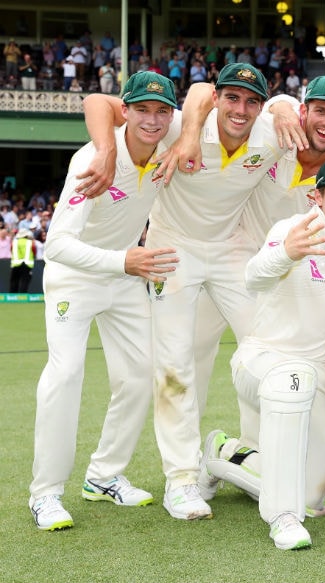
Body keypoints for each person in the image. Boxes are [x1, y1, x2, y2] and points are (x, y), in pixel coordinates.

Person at [81, 63, 288, 521]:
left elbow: (301, 115)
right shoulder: (175, 122)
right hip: (171, 249)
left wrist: (288, 110)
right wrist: (107, 148)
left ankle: (268, 456)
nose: (241, 110)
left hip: (231, 249)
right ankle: (181, 480)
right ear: (216, 98)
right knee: (175, 364)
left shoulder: (270, 134)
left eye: (251, 101)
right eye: (232, 98)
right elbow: (97, 101)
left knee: (271, 348)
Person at [27, 72, 179, 531]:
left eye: (162, 111)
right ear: (124, 111)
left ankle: (104, 475)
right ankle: (45, 494)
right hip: (77, 278)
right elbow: (56, 245)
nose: (152, 120)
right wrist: (107, 150)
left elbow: (203, 106)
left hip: (124, 277)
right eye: (142, 109)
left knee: (138, 376)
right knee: (65, 374)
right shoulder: (90, 159)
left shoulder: (169, 137)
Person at [197, 159, 325, 550]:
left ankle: (223, 454)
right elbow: (254, 277)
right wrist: (287, 254)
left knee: (314, 498)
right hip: (264, 360)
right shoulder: (291, 229)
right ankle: (282, 517)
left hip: (315, 375)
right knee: (292, 381)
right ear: (316, 196)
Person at [9, 227, 34, 292]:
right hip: (27, 264)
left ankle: (12, 296)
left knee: (14, 281)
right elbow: (34, 251)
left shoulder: (14, 242)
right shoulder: (30, 242)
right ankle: (23, 296)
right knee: (24, 282)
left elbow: (11, 250)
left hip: (15, 264)